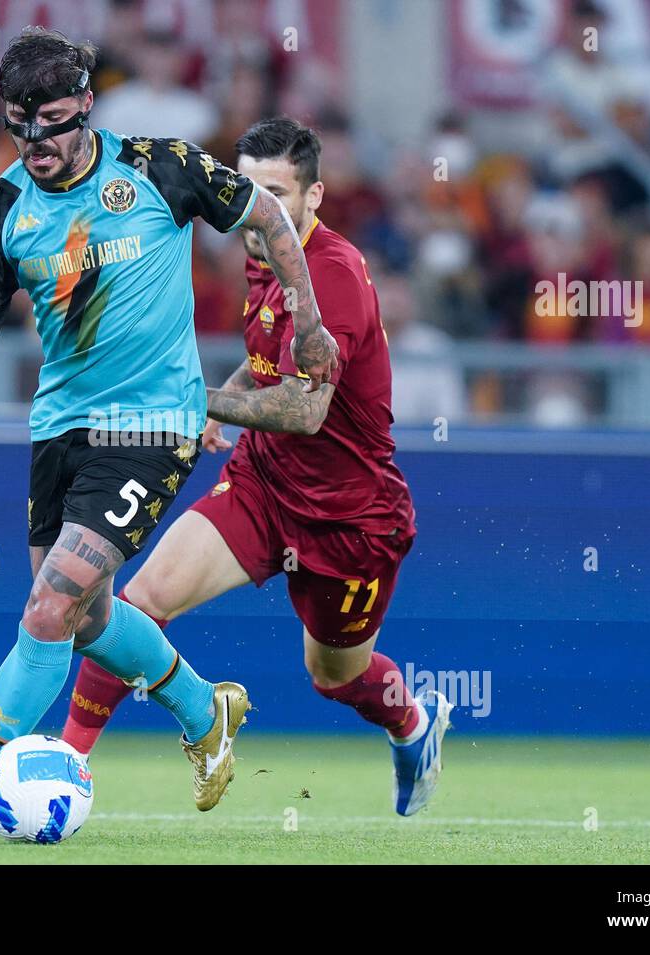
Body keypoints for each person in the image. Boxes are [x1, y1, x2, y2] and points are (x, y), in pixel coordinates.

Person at [0, 30, 338, 841]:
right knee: (84, 618)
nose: (37, 142)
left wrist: (307, 319)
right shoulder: (5, 207)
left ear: (86, 104)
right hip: (61, 428)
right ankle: (205, 709)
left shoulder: (160, 167)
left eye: (51, 121)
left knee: (50, 605)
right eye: (21, 126)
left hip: (155, 426)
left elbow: (263, 212)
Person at [60, 118, 451, 817]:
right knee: (139, 601)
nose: (259, 205)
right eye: (249, 189)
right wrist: (230, 400)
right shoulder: (263, 248)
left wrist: (192, 400)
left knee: (334, 675)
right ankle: (68, 762)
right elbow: (272, 359)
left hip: (350, 518)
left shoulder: (329, 277)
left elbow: (306, 409)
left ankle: (411, 724)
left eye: (277, 192)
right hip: (263, 484)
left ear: (315, 196)